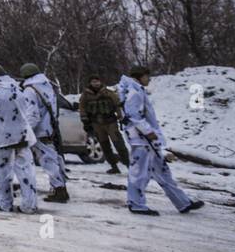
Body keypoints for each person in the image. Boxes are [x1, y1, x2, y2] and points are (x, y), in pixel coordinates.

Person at [116, 66, 203, 216]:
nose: (149, 79)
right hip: (141, 140)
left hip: (146, 140)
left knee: (163, 172)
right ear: (140, 76)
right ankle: (136, 204)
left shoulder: (136, 89)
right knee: (139, 173)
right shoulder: (134, 92)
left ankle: (183, 203)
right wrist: (148, 132)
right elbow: (133, 116)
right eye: (147, 76)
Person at [0, 64, 38, 214]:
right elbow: (27, 110)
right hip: (22, 135)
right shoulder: (19, 89)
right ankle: (30, 204)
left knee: (2, 174)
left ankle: (5, 204)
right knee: (26, 171)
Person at [19, 63, 69, 203]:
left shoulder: (30, 90)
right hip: (50, 128)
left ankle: (59, 190)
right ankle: (61, 188)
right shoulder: (47, 86)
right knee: (55, 158)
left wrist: (25, 132)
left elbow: (33, 115)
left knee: (48, 161)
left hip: (40, 131)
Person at [78, 75, 130, 174]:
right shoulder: (85, 96)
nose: (95, 84)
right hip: (96, 124)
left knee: (119, 144)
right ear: (90, 83)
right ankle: (114, 166)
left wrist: (121, 117)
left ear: (101, 82)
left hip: (110, 122)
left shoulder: (109, 93)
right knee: (105, 146)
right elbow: (82, 109)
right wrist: (85, 122)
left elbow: (117, 105)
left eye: (97, 81)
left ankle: (128, 165)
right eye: (93, 82)